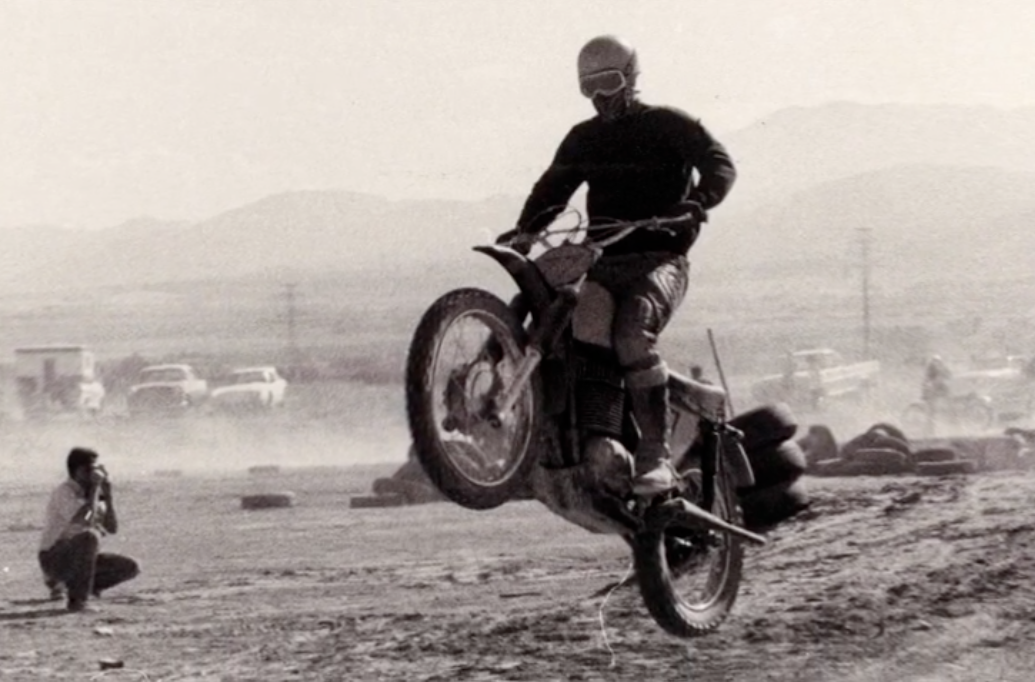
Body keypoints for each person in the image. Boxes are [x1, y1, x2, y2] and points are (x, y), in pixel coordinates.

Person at [497, 35, 736, 496]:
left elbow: (719, 163)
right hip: (605, 261)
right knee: (584, 328)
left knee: (631, 332)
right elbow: (552, 189)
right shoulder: (583, 138)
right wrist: (525, 230)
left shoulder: (669, 124)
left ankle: (657, 458)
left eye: (608, 82)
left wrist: (697, 203)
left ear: (630, 76)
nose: (601, 97)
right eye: (590, 88)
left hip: (660, 260)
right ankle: (602, 440)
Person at [38, 447, 139, 612]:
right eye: (90, 470)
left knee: (129, 567)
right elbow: (85, 519)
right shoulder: (64, 492)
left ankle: (79, 586)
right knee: (88, 537)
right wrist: (94, 490)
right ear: (78, 471)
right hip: (55, 558)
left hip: (81, 558)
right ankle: (77, 601)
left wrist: (107, 495)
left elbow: (112, 528)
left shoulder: (91, 494)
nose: (94, 474)